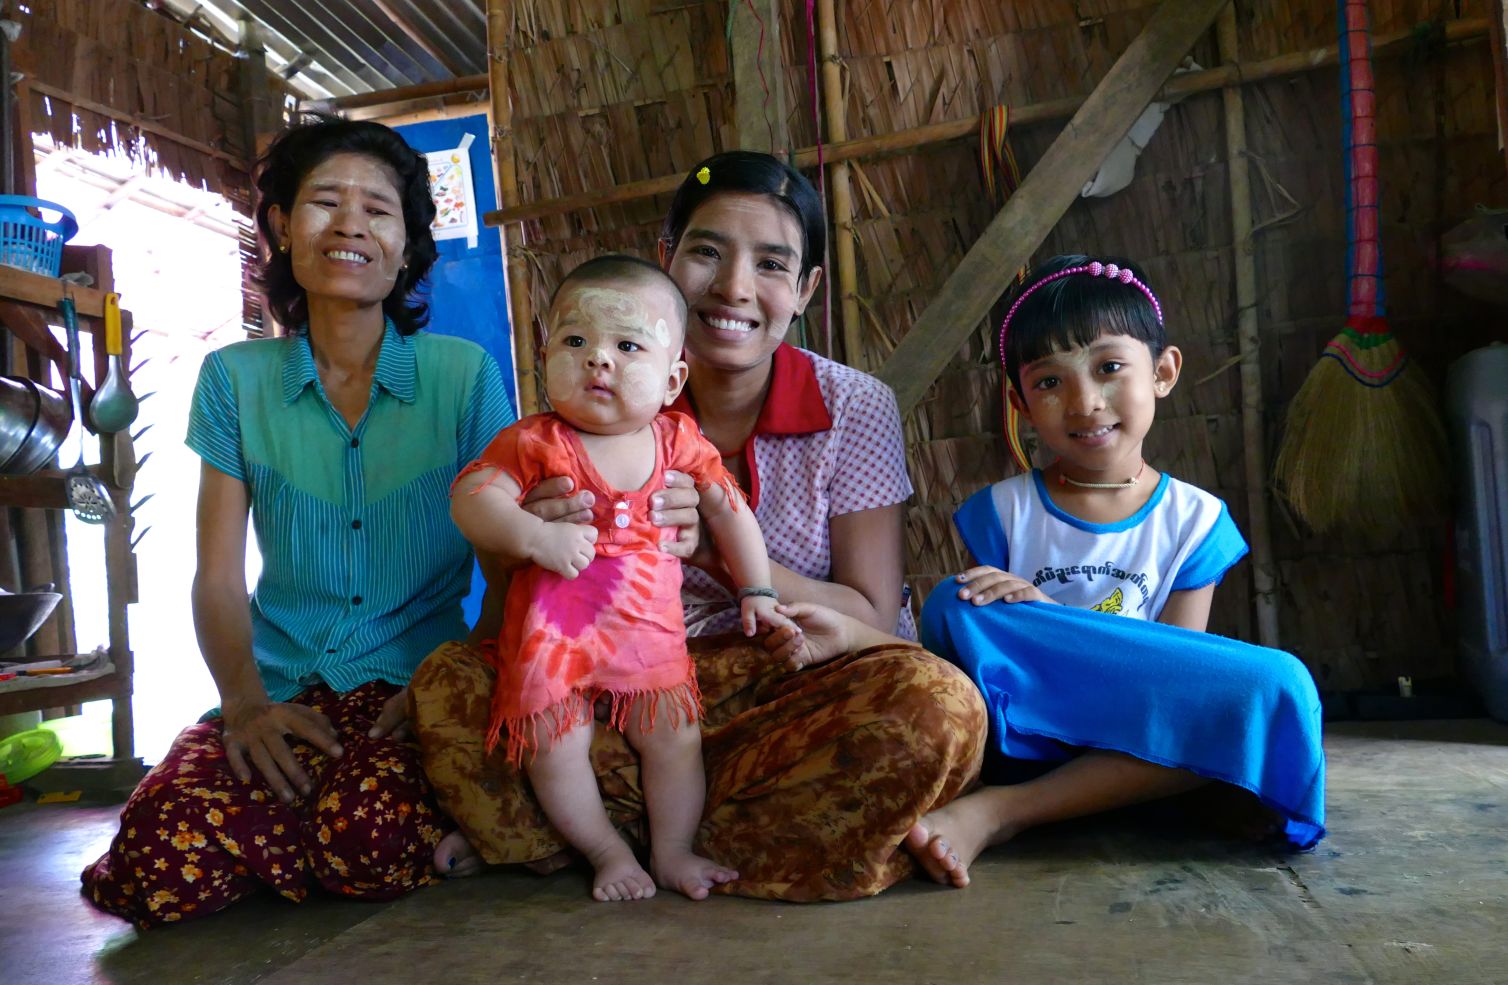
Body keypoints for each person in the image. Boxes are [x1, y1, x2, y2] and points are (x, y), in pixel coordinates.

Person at [410, 151, 986, 900]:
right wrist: (525, 540)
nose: (734, 288)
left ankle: (568, 837)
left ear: (807, 288)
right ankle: (711, 837)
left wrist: (724, 558)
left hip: (780, 684)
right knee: (446, 686)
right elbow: (521, 608)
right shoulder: (580, 408)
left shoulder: (853, 406)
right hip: (612, 690)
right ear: (666, 260)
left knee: (937, 708)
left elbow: (875, 618)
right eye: (707, 252)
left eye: (773, 264)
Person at [80, 117, 517, 926]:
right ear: (283, 226)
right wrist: (242, 703)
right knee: (154, 855)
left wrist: (456, 677)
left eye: (379, 210)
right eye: (325, 201)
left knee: (370, 838)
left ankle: (298, 839)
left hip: (410, 684)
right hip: (277, 686)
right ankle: (299, 834)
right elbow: (216, 572)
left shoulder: (463, 377)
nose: (351, 223)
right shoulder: (233, 381)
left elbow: (507, 568)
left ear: (408, 246)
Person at [913, 255, 1327, 888]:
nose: (1084, 402)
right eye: (1049, 383)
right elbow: (996, 657)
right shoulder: (1001, 512)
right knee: (952, 602)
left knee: (1281, 685)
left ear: (1163, 372)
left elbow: (1174, 665)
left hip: (1139, 737)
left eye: (1109, 368)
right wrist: (1019, 617)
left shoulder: (1196, 520)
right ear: (1022, 405)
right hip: (1029, 730)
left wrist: (1045, 615)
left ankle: (1001, 814)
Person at [451, 255, 802, 901]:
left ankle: (672, 849)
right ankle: (605, 850)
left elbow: (730, 510)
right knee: (555, 747)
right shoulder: (534, 442)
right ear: (545, 358)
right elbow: (472, 497)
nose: (598, 359)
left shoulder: (678, 443)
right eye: (575, 340)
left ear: (672, 380)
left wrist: (757, 590)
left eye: (627, 344)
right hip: (552, 642)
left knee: (675, 739)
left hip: (647, 635)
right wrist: (534, 536)